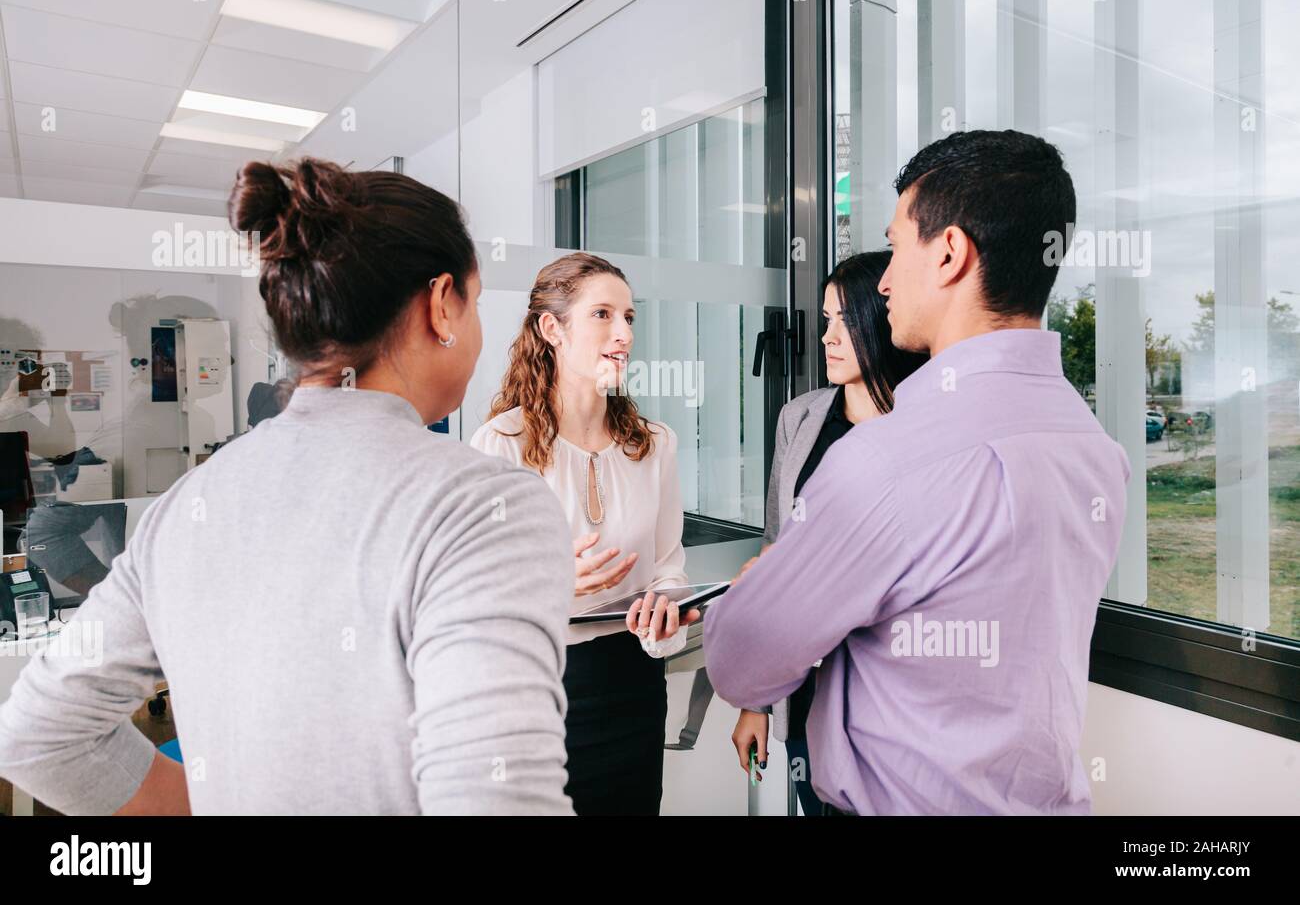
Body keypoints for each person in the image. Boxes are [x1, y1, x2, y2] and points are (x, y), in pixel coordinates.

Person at [0, 158, 576, 815]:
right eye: (474, 302)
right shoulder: (484, 508)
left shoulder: (185, 508)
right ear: (441, 305)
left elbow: (37, 738)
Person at [704, 130, 1131, 815]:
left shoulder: (887, 461)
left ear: (951, 253)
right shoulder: (1094, 448)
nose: (883, 279)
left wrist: (752, 595)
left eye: (896, 245)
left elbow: (740, 660)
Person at [472, 252, 697, 816]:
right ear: (552, 329)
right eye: (603, 315)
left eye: (629, 317)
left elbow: (668, 566)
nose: (623, 334)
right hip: (539, 688)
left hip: (636, 682)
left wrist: (666, 609)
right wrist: (552, 584)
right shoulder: (501, 445)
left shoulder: (655, 444)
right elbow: (477, 601)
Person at [729, 250, 925, 814]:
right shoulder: (801, 417)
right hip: (807, 691)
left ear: (880, 320)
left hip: (889, 693)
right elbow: (774, 557)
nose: (828, 338)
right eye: (825, 321)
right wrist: (756, 703)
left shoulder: (922, 427)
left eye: (844, 320)